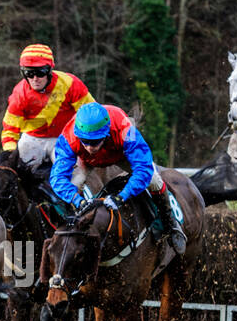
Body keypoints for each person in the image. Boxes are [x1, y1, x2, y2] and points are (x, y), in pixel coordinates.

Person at [49, 102, 186, 255]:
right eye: (85, 141)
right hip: (85, 160)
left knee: (154, 180)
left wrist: (121, 197)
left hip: (120, 154)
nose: (90, 147)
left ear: (106, 132)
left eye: (94, 141)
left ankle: (170, 222)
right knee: (71, 186)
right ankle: (70, 233)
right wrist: (76, 199)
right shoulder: (68, 136)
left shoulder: (126, 129)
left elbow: (143, 169)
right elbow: (57, 178)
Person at [0, 44, 94, 174]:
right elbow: (10, 130)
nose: (35, 79)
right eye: (29, 73)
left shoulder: (71, 84)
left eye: (40, 73)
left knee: (75, 174)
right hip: (32, 139)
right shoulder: (19, 94)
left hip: (65, 138)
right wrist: (11, 153)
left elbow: (91, 114)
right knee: (17, 173)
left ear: (49, 70)